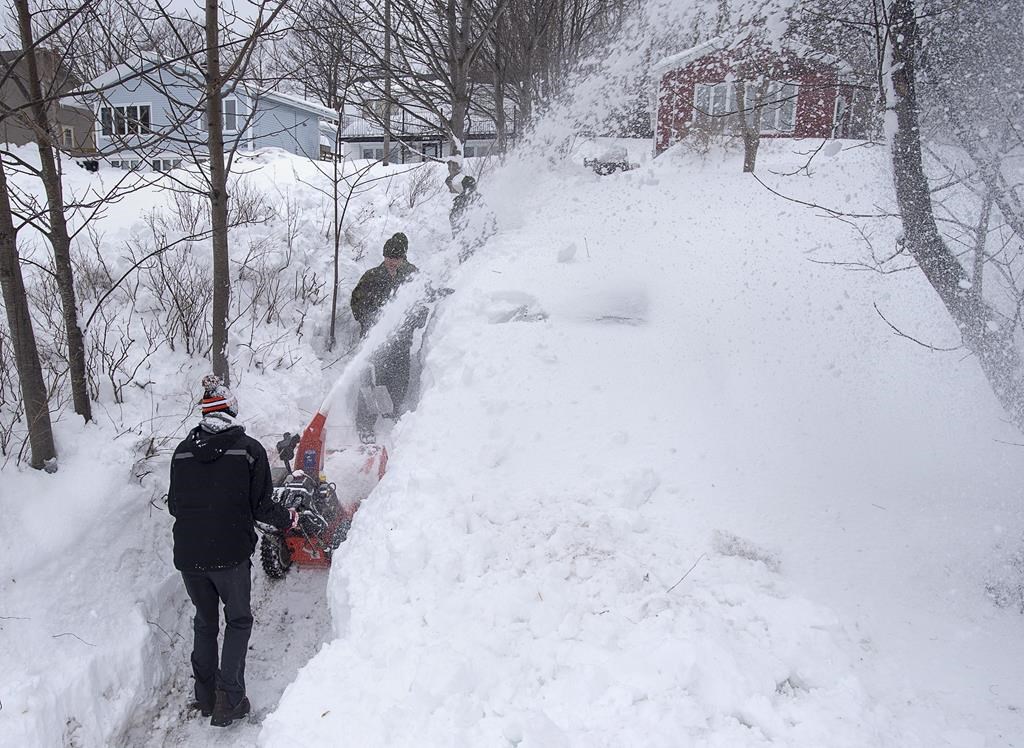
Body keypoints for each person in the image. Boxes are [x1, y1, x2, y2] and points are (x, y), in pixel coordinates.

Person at [167, 375, 297, 727]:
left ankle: (205, 696)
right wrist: (290, 518)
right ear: (231, 409)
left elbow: (175, 506)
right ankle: (230, 699)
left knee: (205, 621)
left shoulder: (181, 452)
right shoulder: (249, 450)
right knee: (238, 621)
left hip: (190, 560)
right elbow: (262, 509)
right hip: (230, 556)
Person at [350, 232, 425, 441]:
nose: (392, 262)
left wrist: (413, 321)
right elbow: (356, 303)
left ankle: (392, 419)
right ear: (383, 257)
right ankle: (365, 424)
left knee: (398, 381)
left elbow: (420, 305)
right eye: (389, 258)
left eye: (397, 258)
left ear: (404, 258)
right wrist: (372, 321)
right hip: (375, 343)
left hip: (401, 342)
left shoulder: (412, 276)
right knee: (370, 381)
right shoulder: (371, 277)